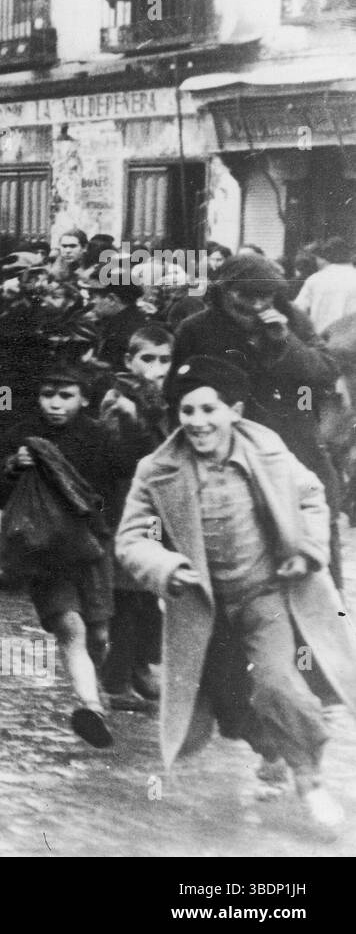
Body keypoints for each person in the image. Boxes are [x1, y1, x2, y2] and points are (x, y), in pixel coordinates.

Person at [116, 356, 356, 837]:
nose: (198, 422)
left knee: (277, 684)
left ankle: (309, 780)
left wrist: (308, 550)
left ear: (235, 410)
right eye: (188, 411)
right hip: (203, 609)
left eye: (210, 410)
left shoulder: (268, 452)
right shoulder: (157, 469)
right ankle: (270, 751)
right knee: (229, 708)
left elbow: (312, 496)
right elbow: (132, 539)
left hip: (264, 596)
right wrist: (166, 566)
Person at [0, 363, 147, 747]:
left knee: (98, 633)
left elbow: (133, 466)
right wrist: (13, 467)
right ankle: (90, 706)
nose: (55, 405)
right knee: (70, 629)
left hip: (93, 547)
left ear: (83, 399)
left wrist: (131, 423)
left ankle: (94, 690)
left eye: (65, 396)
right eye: (48, 395)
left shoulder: (100, 436)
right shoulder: (24, 437)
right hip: (45, 551)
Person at [172, 253, 343, 586]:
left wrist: (284, 341)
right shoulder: (195, 329)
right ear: (223, 291)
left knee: (314, 533)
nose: (255, 304)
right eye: (245, 295)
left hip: (294, 445)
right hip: (226, 451)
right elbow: (176, 394)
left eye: (265, 296)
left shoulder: (292, 321)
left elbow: (325, 372)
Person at [97, 325, 173, 709]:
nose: (156, 367)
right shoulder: (118, 399)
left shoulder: (162, 399)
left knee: (149, 594)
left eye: (164, 359)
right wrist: (132, 420)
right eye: (148, 359)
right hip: (126, 505)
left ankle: (140, 667)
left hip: (157, 507)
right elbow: (129, 458)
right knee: (128, 595)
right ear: (129, 360)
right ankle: (116, 680)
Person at [293, 236, 356, 335]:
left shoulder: (314, 279)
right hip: (350, 343)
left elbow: (297, 311)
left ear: (327, 257)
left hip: (321, 341)